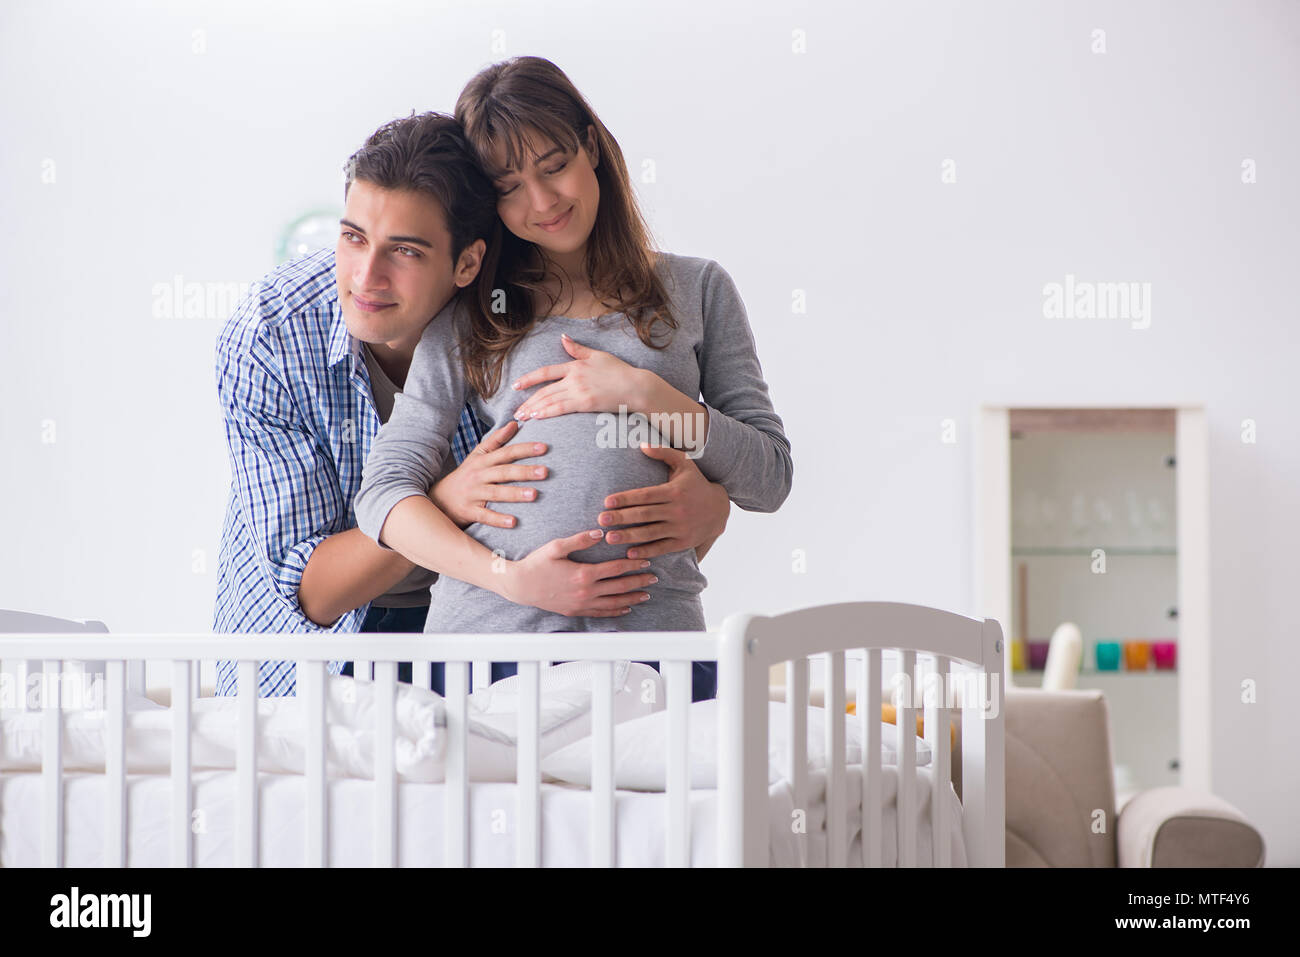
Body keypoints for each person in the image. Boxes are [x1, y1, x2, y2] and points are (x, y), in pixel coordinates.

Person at [212, 111, 732, 696]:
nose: (366, 277)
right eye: (353, 236)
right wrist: (445, 503)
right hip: (317, 652)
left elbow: (612, 490)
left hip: (478, 625)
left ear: (469, 262)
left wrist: (712, 505)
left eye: (404, 252)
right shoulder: (272, 334)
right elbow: (314, 592)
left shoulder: (521, 315)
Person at [353, 58, 793, 701]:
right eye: (509, 185)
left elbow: (770, 479)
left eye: (554, 165)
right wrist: (508, 577)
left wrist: (647, 394)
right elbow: (382, 496)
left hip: (655, 651)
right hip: (490, 651)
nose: (542, 201)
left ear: (590, 144)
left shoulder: (698, 289)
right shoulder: (473, 311)